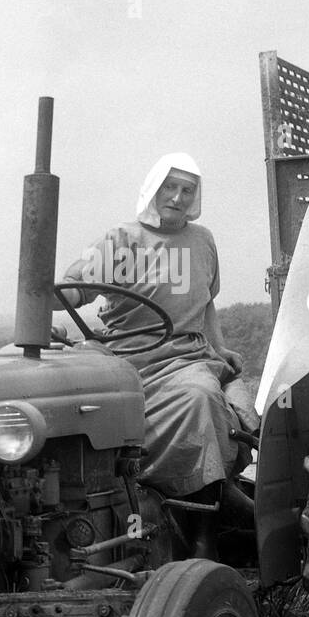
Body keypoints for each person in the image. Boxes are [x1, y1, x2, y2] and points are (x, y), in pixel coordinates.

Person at [57, 153, 255, 559]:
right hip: (124, 357)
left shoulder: (203, 241)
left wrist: (218, 349)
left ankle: (204, 540)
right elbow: (76, 288)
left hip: (184, 358)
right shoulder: (121, 240)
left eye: (187, 190)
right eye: (171, 187)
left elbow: (206, 305)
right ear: (154, 188)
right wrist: (57, 294)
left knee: (200, 396)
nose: (179, 197)